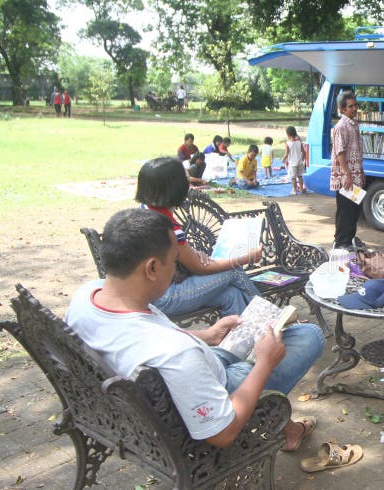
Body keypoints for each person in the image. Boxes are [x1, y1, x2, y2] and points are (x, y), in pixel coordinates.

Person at [65, 208, 324, 450]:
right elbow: (222, 433)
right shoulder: (177, 354)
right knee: (309, 336)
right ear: (152, 268)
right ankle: (280, 424)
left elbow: (143, 343)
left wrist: (207, 335)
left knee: (260, 334)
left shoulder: (88, 295)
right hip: (212, 393)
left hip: (189, 372)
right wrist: (264, 364)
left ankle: (288, 430)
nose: (177, 271)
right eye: (175, 262)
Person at [135, 157, 261, 318]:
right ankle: (270, 318)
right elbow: (199, 269)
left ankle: (243, 340)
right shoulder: (167, 227)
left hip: (149, 293)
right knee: (234, 271)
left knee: (231, 295)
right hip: (165, 297)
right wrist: (246, 258)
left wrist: (192, 253)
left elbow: (174, 251)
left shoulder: (146, 211)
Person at [330, 91, 365, 250]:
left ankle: (350, 239)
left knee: (354, 209)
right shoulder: (341, 126)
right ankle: (341, 243)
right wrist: (347, 175)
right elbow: (340, 152)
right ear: (342, 109)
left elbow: (357, 151)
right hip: (347, 177)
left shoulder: (354, 124)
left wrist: (361, 171)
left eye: (355, 105)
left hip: (355, 174)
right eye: (351, 106)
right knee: (345, 210)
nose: (354, 108)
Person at [282, 126, 308, 195]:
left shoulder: (287, 143)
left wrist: (283, 159)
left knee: (293, 178)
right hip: (300, 162)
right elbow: (303, 151)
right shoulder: (299, 142)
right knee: (300, 176)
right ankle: (302, 189)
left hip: (292, 163)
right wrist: (302, 159)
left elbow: (286, 153)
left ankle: (294, 190)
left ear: (287, 134)